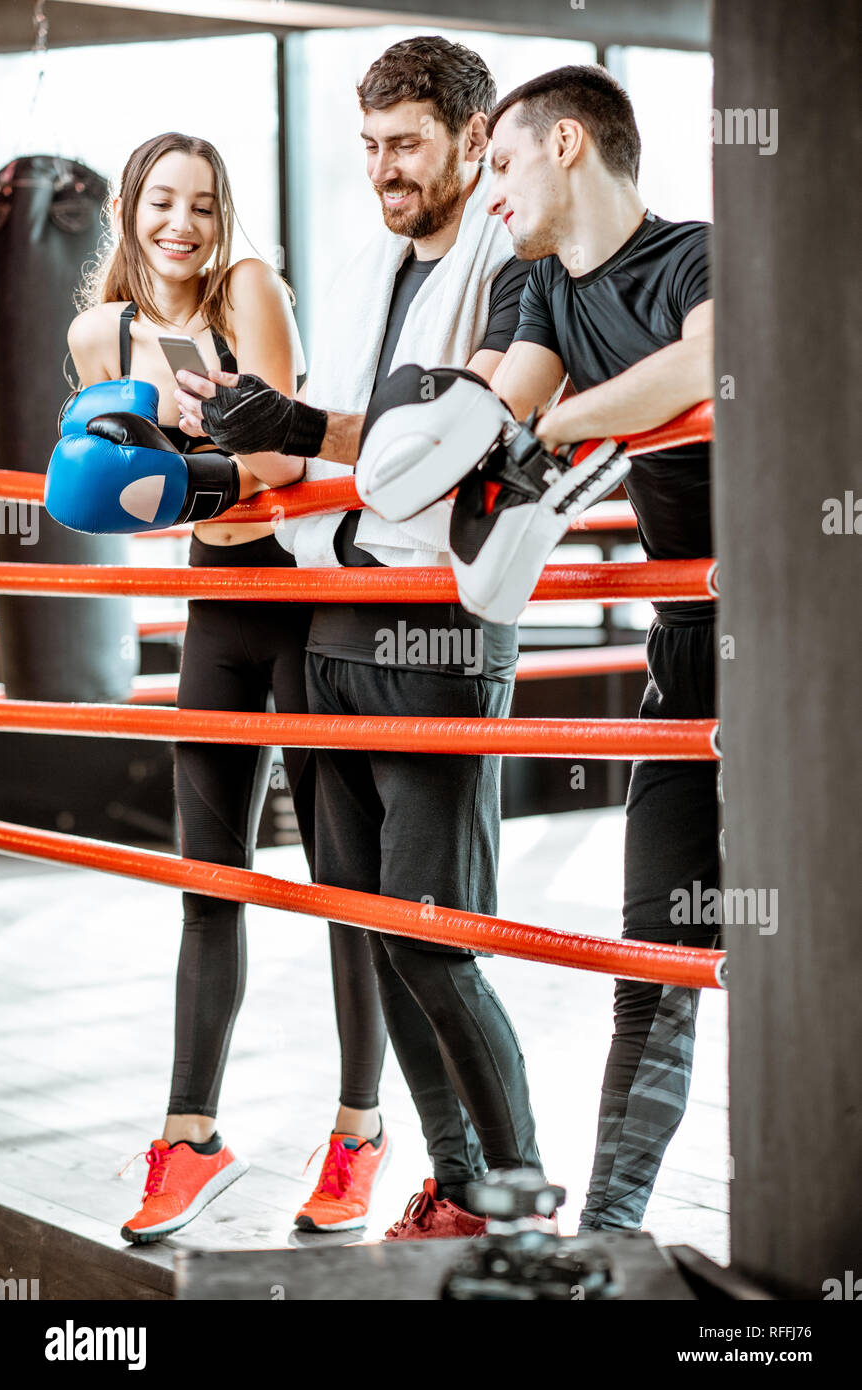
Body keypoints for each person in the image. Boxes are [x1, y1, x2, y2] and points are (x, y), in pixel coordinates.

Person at [177, 37, 546, 1239]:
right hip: (331, 617)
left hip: (436, 626)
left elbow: (432, 445)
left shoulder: (510, 262)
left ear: (473, 133)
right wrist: (224, 442)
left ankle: (522, 1204)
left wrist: (321, 426)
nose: (385, 169)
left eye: (408, 144)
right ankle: (453, 1183)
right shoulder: (363, 261)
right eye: (372, 146)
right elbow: (332, 445)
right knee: (373, 932)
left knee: (435, 936)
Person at [64, 131, 377, 1244]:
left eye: (202, 202)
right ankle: (190, 1134)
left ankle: (358, 1132)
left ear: (222, 212)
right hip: (215, 609)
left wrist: (174, 471)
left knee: (345, 882)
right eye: (160, 201)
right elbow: (106, 488)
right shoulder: (99, 332)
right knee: (211, 875)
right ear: (131, 212)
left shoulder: (254, 288)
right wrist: (159, 475)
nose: (181, 223)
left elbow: (283, 463)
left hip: (301, 601)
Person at [481, 65, 717, 1231]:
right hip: (690, 655)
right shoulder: (543, 294)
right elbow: (495, 411)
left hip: (816, 646)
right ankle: (611, 1235)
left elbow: (707, 365)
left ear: (566, 143)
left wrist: (567, 422)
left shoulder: (699, 254)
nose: (493, 194)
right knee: (659, 956)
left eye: (504, 163)